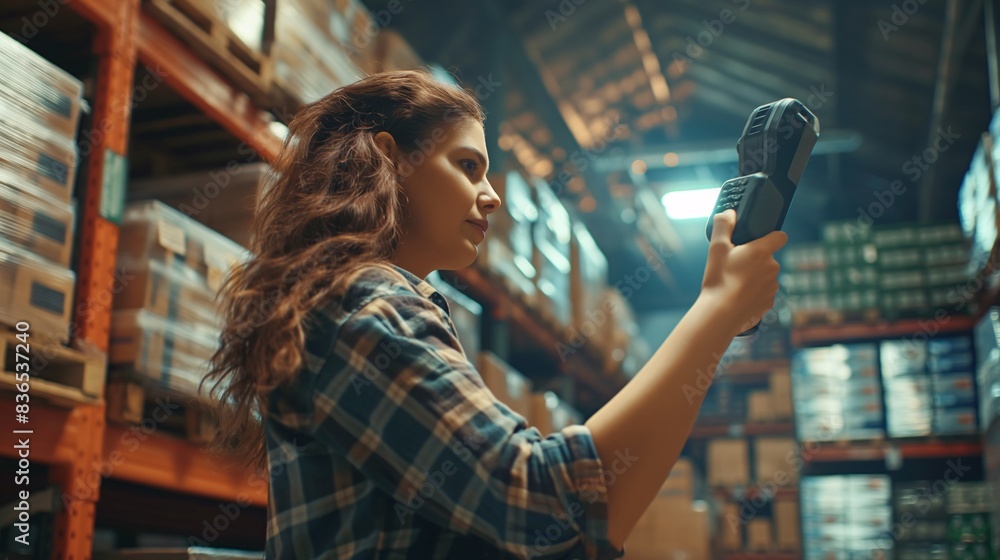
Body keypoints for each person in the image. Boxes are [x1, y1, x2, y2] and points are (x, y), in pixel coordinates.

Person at [203, 70, 787, 559]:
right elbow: (543, 505)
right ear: (391, 159)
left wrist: (716, 321)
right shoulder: (364, 307)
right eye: (468, 166)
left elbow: (579, 532)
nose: (494, 195)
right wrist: (713, 313)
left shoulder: (374, 306)